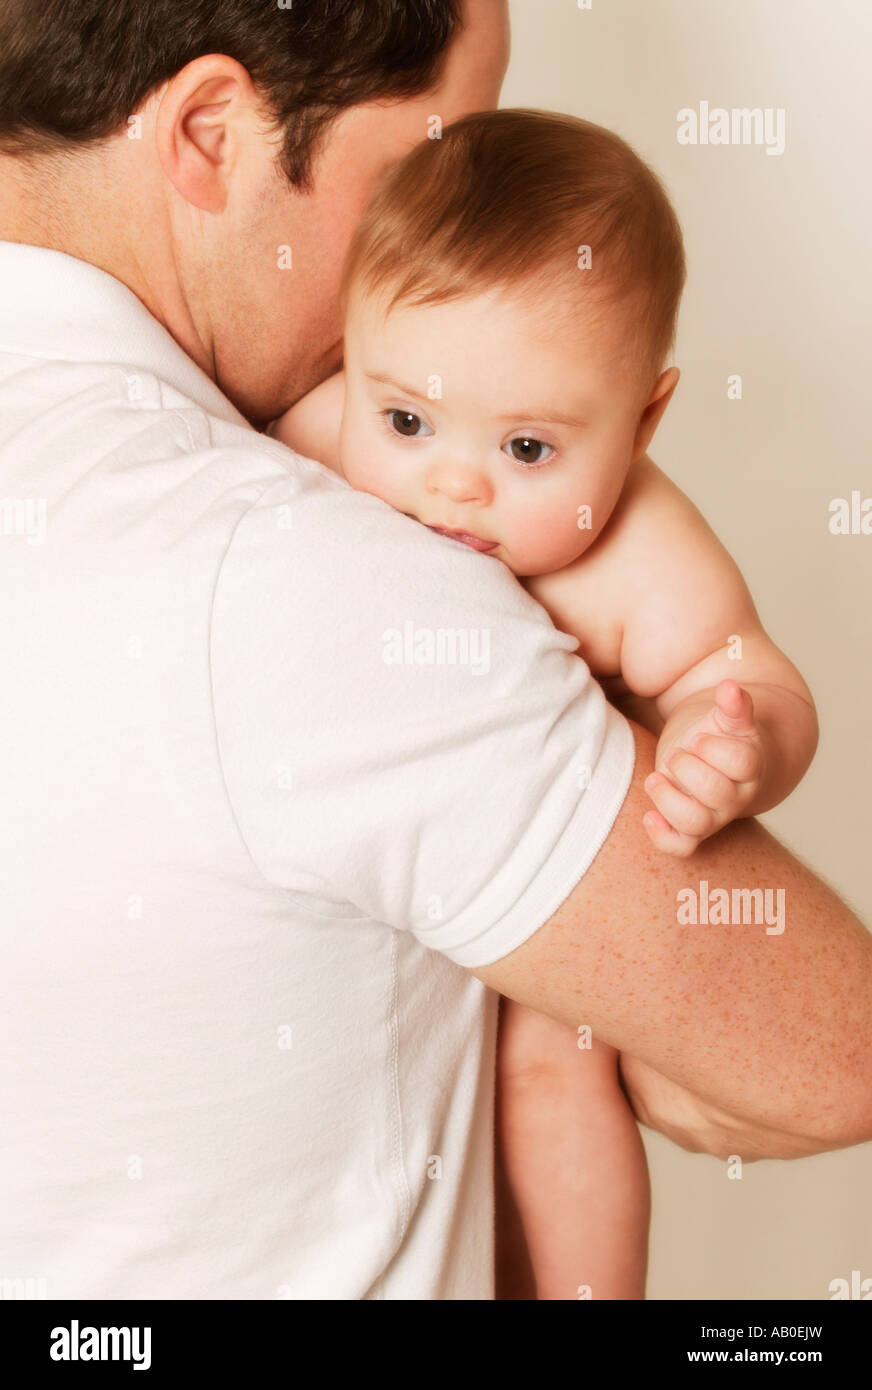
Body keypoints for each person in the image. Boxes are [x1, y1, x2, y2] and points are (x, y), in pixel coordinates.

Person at [0, 0, 869, 1302]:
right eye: (426, 168)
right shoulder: (305, 570)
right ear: (211, 132)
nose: (457, 246)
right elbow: (831, 1048)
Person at [269, 106, 819, 1299]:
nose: (450, 481)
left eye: (526, 449)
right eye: (405, 419)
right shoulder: (301, 444)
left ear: (643, 421)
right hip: (365, 887)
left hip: (551, 889)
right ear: (350, 363)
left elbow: (751, 679)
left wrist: (734, 746)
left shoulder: (632, 551)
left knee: (551, 1075)